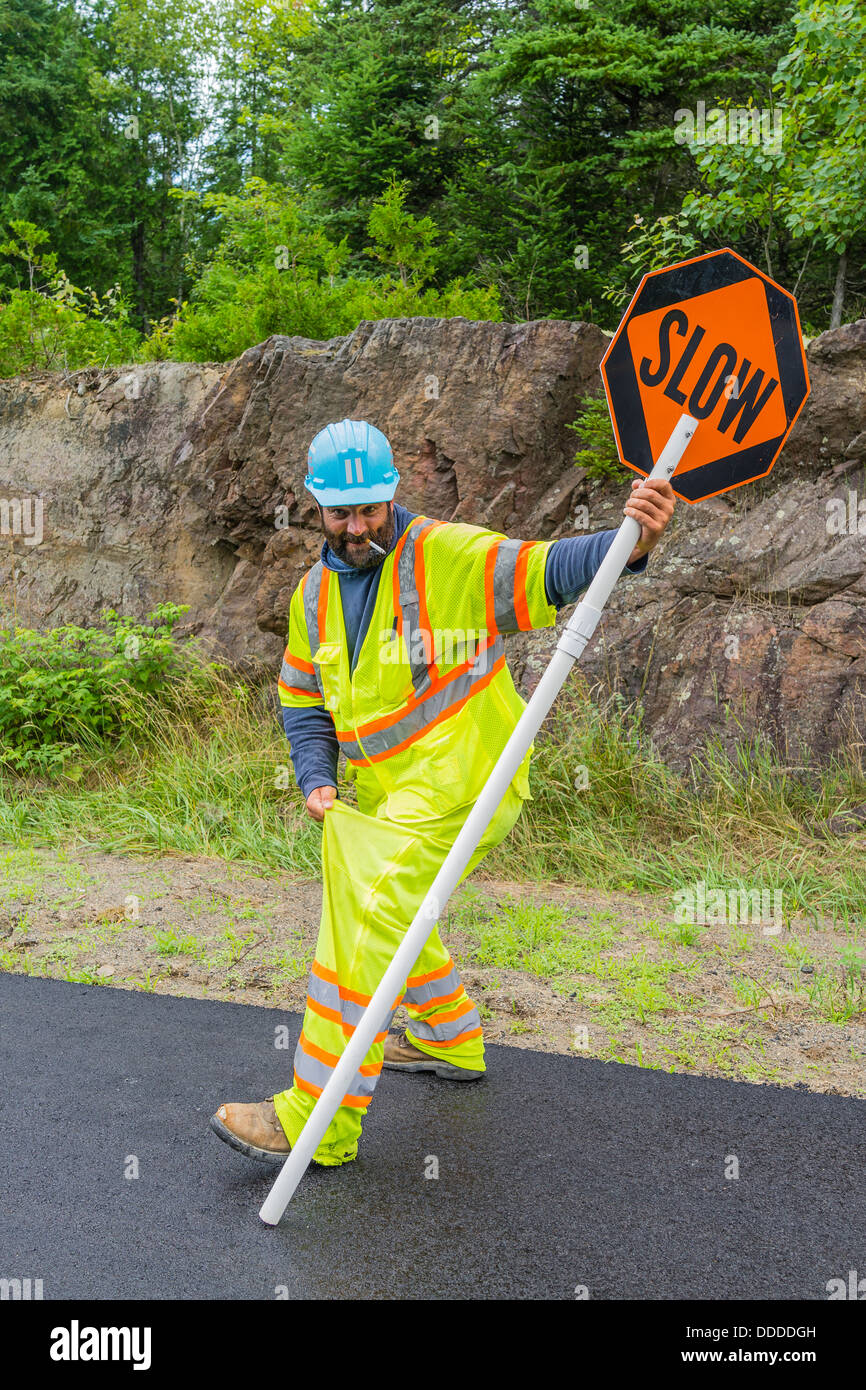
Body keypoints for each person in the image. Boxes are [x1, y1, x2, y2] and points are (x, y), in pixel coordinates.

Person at [210, 418, 675, 1165]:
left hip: (468, 780)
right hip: (393, 792)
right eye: (341, 512)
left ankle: (315, 1122)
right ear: (316, 508)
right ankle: (446, 1035)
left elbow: (550, 568)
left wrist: (634, 541)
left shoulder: (447, 557)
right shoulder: (313, 595)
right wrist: (317, 773)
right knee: (373, 886)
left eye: (369, 508)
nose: (357, 526)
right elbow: (301, 696)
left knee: (366, 905)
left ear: (392, 495)